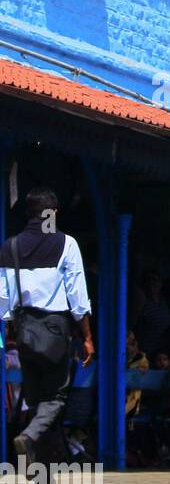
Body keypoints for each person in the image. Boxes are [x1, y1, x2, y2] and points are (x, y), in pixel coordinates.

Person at [1, 187, 94, 466]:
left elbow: (3, 298)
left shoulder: (10, 247)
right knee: (54, 398)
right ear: (53, 214)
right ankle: (28, 436)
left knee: (34, 397)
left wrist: (7, 333)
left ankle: (38, 469)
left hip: (24, 331)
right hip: (54, 330)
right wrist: (87, 336)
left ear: (29, 214)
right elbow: (78, 296)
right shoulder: (66, 244)